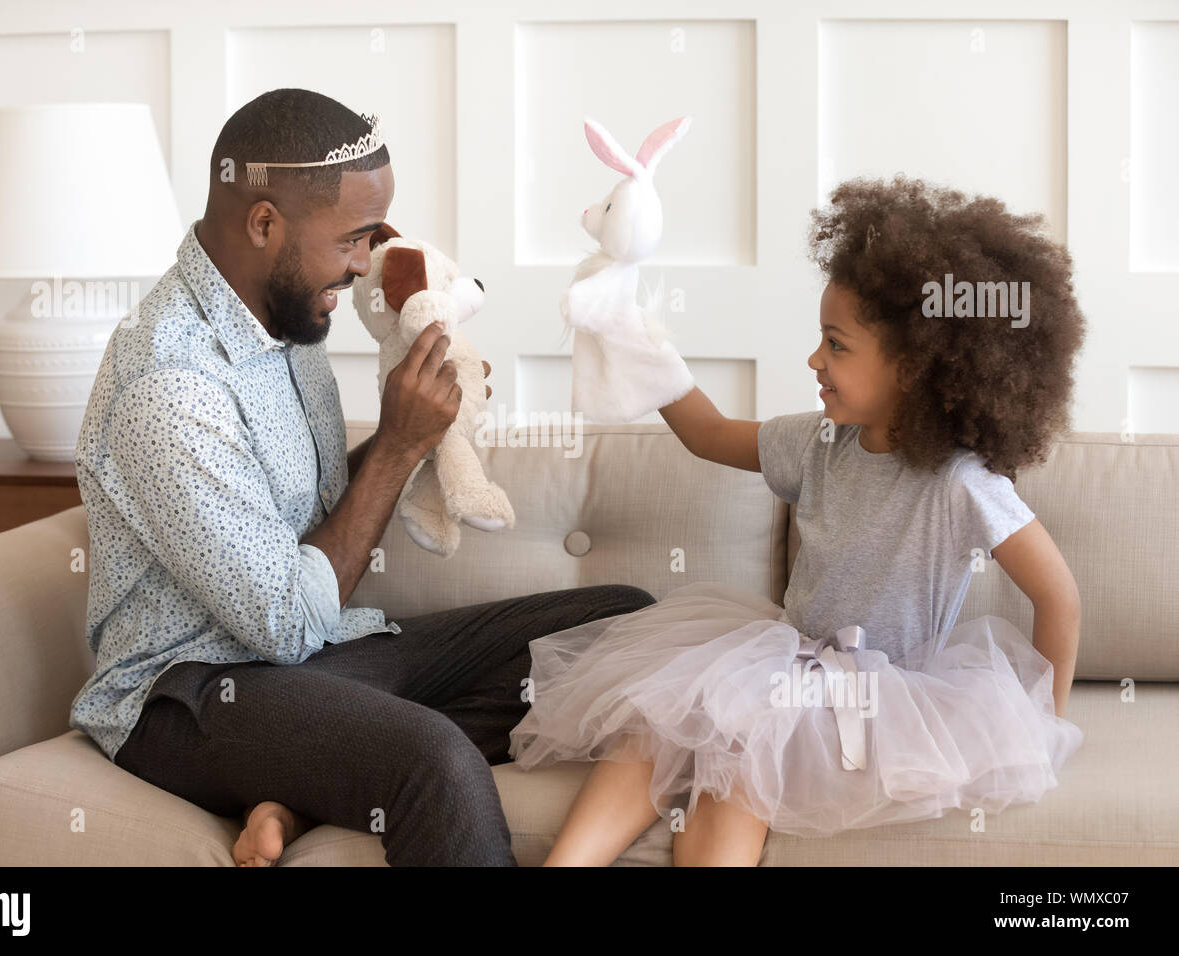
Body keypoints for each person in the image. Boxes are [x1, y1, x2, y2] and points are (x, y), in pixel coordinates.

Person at [69, 88, 654, 867]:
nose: (363, 263)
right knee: (430, 759)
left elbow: (303, 528)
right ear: (265, 223)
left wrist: (416, 432)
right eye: (352, 238)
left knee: (622, 628)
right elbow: (282, 619)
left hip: (313, 662)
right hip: (191, 692)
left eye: (373, 235)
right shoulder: (169, 383)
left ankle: (299, 782)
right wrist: (397, 447)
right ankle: (320, 766)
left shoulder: (285, 318)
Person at [508, 174, 1088, 866]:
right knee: (658, 728)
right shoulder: (819, 442)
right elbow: (708, 432)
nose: (815, 358)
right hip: (779, 659)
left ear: (913, 368)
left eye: (836, 345)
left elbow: (1059, 596)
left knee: (741, 771)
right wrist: (633, 339)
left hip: (876, 696)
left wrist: (1042, 724)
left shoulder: (961, 483)